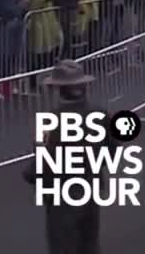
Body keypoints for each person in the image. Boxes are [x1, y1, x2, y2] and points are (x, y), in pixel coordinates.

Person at [22, 60, 107, 254]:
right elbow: (112, 150)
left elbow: (43, 163)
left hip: (61, 195)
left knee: (63, 246)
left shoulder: (48, 123)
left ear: (58, 89)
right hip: (90, 187)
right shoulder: (99, 115)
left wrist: (29, 175)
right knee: (90, 243)